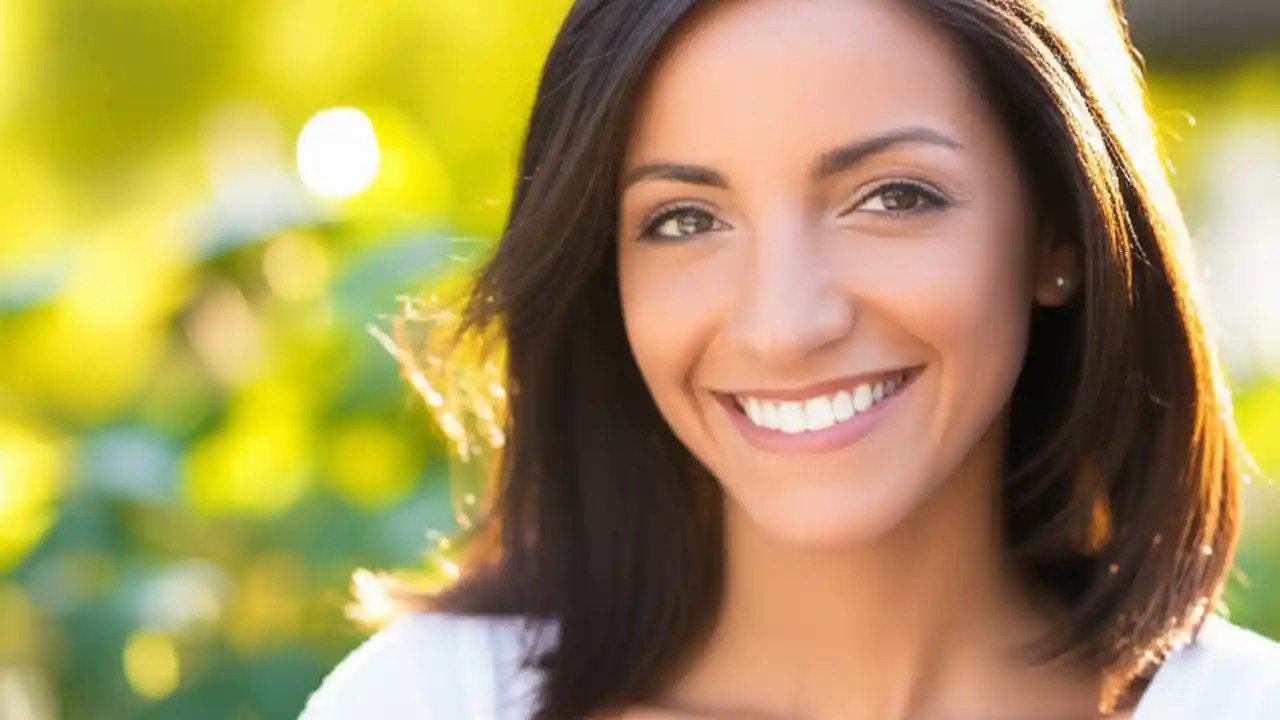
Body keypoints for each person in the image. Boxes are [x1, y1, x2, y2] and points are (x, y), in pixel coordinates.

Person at [301, 0, 1280, 718]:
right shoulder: (427, 703)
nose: (782, 325)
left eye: (892, 198)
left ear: (1057, 230)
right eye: (685, 220)